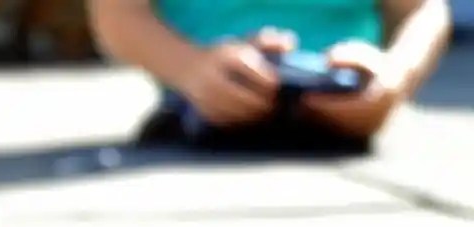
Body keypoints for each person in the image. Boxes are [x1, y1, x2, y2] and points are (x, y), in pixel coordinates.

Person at [86, 0, 453, 151]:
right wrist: (188, 68)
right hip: (199, 110)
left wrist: (394, 74)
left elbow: (425, 9)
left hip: (345, 100)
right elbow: (116, 15)